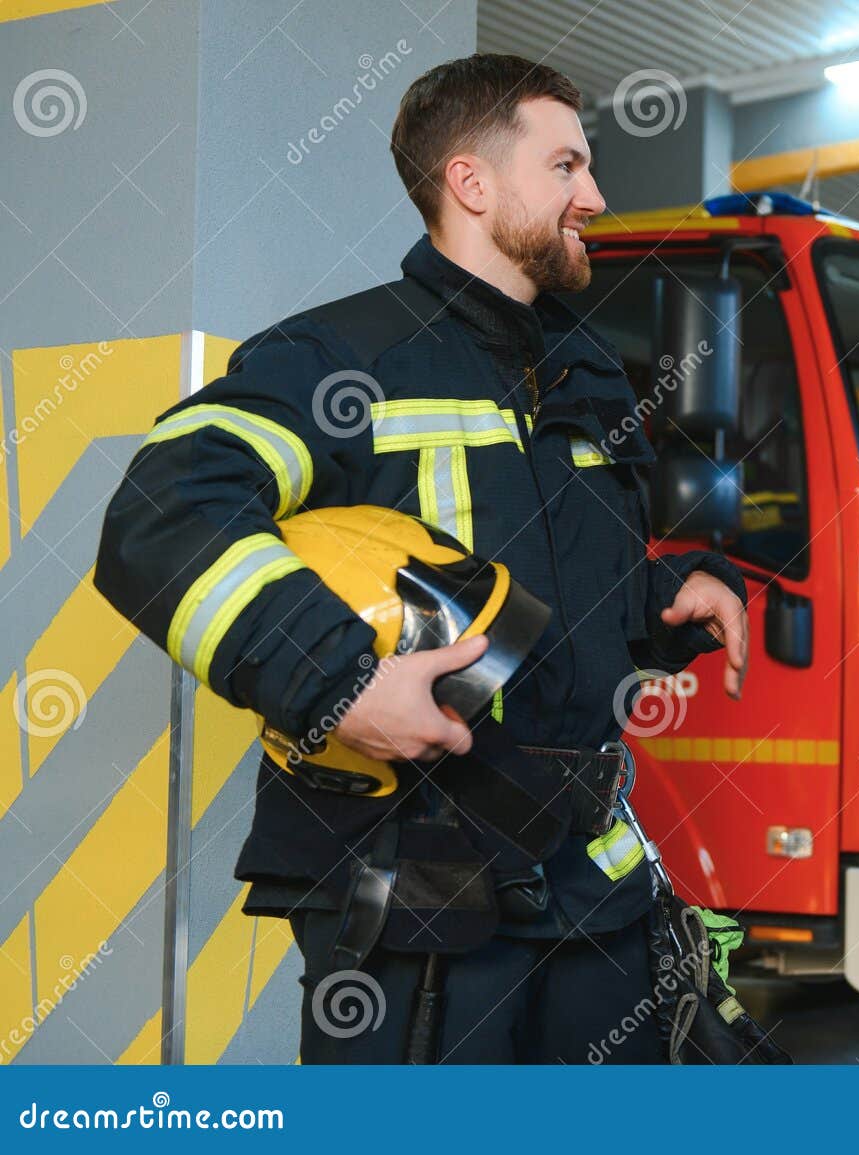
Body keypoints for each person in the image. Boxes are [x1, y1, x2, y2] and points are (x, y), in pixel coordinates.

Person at [94, 54, 748, 1064]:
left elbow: (547, 595)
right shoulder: (340, 357)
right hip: (417, 895)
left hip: (592, 891)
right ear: (472, 183)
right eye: (568, 165)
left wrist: (668, 595)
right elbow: (162, 514)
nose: (597, 196)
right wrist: (341, 682)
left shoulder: (589, 376)